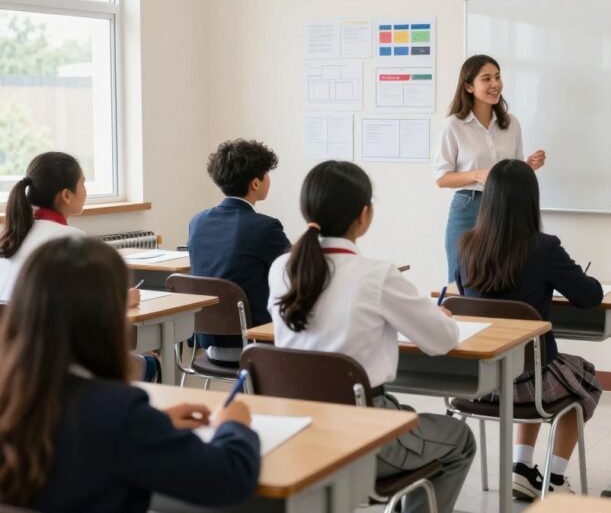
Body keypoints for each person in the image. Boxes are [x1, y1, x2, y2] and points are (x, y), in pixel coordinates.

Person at [268, 160, 475, 513]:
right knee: (460, 438)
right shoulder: (376, 275)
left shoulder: (280, 269)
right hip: (362, 434)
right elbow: (441, 341)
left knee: (408, 417)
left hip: (295, 432)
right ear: (365, 215)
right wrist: (438, 316)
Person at [0, 236, 259, 512]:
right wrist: (234, 425)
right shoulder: (118, 413)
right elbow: (228, 478)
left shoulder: (15, 398)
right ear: (107, 317)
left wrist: (154, 425)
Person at [456, 158, 603, 499]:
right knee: (585, 381)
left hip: (478, 380)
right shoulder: (544, 246)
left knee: (531, 365)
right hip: (528, 381)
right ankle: (554, 478)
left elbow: (466, 298)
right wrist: (577, 272)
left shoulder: (465, 245)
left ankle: (522, 468)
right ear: (530, 201)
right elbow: (589, 296)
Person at [0, 151, 153, 380]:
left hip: (13, 363)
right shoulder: (71, 240)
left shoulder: (10, 237)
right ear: (66, 195)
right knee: (148, 363)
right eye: (82, 183)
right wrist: (122, 300)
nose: (86, 191)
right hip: (55, 364)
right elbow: (88, 313)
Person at [434, 54, 546, 281]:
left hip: (507, 206)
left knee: (505, 276)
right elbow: (441, 178)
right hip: (468, 207)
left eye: (497, 77)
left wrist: (527, 166)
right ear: (468, 86)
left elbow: (512, 169)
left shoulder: (511, 123)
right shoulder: (453, 125)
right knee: (461, 279)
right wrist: (476, 174)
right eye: (486, 79)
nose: (495, 84)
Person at [188, 139, 291, 364]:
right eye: (267, 174)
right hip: (254, 345)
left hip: (206, 344)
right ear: (256, 183)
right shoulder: (265, 228)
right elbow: (296, 274)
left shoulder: (197, 222)